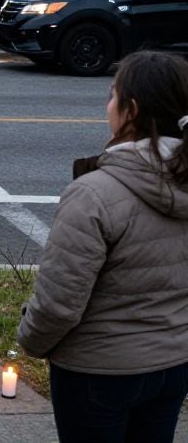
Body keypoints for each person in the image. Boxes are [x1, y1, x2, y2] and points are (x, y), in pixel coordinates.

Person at [17, 51, 188, 443]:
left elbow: (59, 303)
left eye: (112, 96)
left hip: (99, 371)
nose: (106, 105)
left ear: (131, 110)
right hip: (173, 363)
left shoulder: (94, 194)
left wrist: (30, 341)